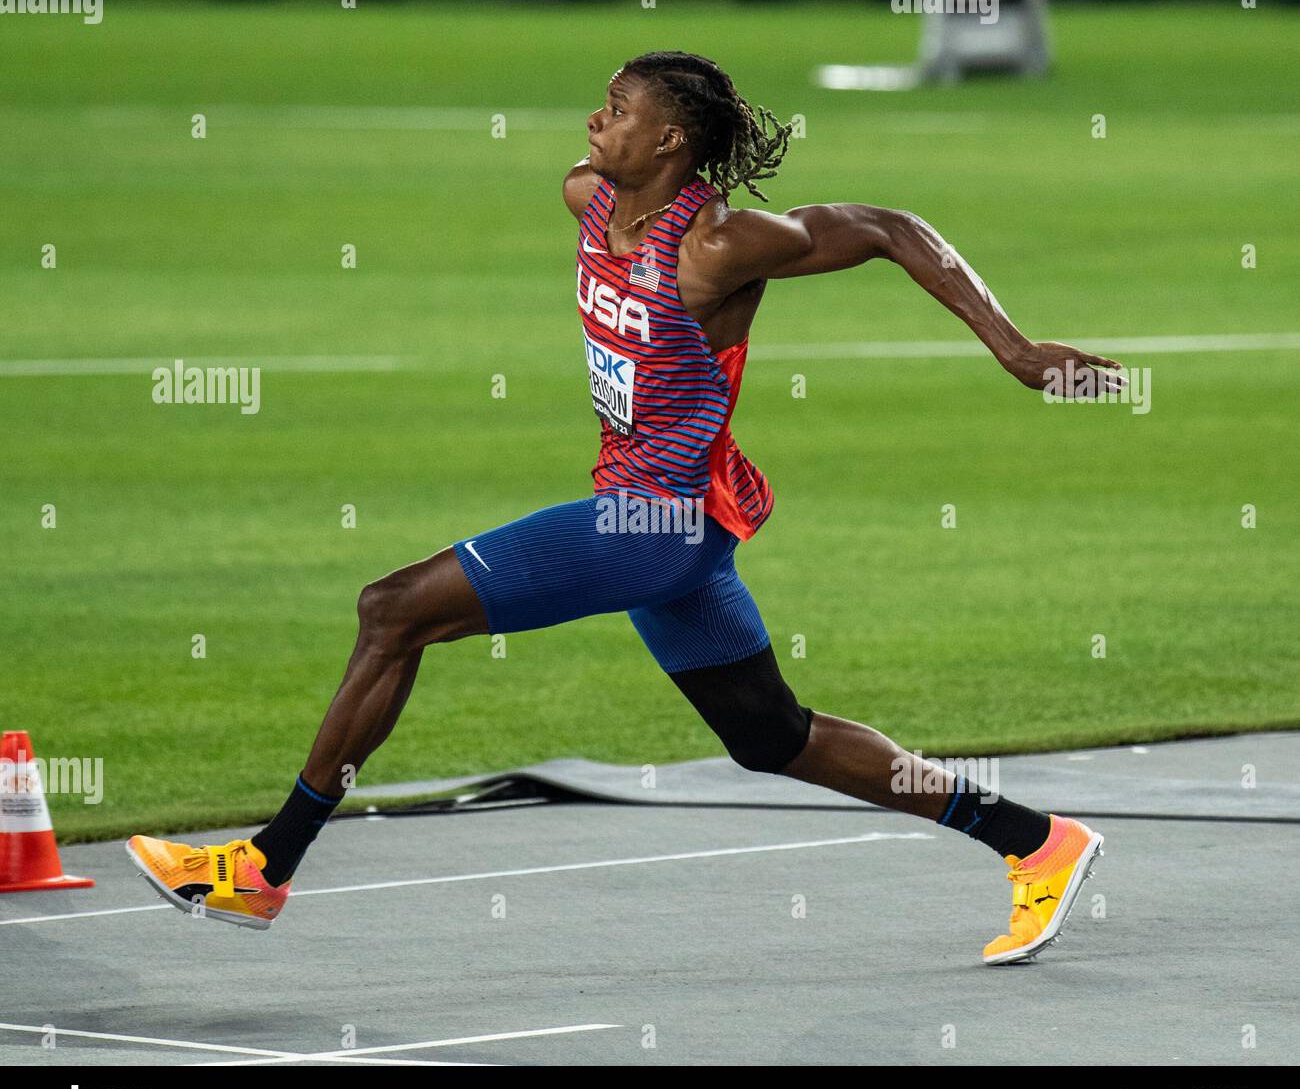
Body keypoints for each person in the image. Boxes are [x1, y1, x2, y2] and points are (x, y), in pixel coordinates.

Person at [129, 51, 1120, 965]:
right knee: (770, 737)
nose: (594, 122)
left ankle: (265, 868)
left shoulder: (721, 249)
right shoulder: (587, 199)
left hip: (661, 524)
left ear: (670, 142)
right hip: (658, 523)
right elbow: (607, 195)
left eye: (618, 111)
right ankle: (1036, 842)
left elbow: (885, 229)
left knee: (391, 609)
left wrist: (1016, 349)